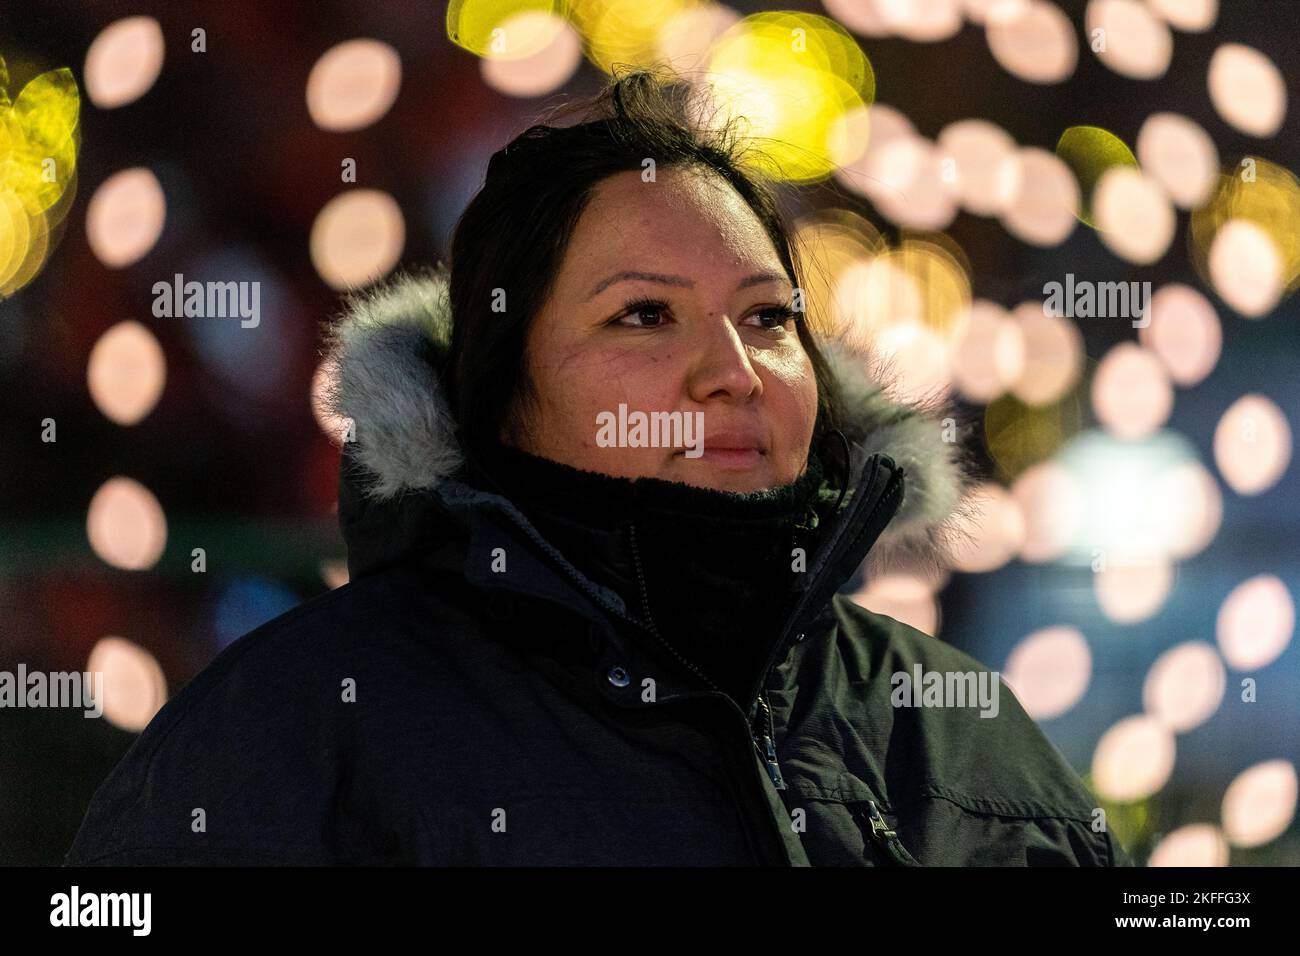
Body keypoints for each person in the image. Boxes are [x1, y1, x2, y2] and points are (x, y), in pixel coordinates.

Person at [65, 70, 1132, 866]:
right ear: (501, 393)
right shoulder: (289, 742)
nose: (733, 370)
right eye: (642, 314)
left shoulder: (960, 724)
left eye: (769, 317)